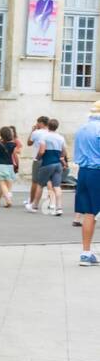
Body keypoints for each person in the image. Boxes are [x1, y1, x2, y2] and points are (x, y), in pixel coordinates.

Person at [74, 101, 100, 266]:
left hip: (83, 171)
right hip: (98, 171)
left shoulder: (81, 129)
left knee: (89, 213)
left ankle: (86, 252)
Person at [34, 118, 69, 217]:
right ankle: (59, 208)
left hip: (47, 163)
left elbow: (41, 151)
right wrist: (61, 158)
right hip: (58, 164)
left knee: (40, 184)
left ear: (48, 126)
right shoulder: (61, 137)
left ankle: (35, 205)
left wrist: (37, 158)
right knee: (57, 186)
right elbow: (64, 152)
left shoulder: (44, 137)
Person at [26, 115, 51, 211]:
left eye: (37, 122)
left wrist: (32, 130)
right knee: (49, 181)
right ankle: (51, 202)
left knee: (35, 181)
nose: (36, 124)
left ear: (41, 123)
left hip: (38, 158)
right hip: (49, 159)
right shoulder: (51, 133)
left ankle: (31, 201)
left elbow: (29, 143)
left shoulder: (36, 132)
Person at [0, 125, 19, 208]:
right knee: (3, 185)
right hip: (9, 166)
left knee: (2, 184)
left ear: (1, 134)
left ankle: (8, 201)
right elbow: (15, 156)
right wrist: (17, 165)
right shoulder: (13, 144)